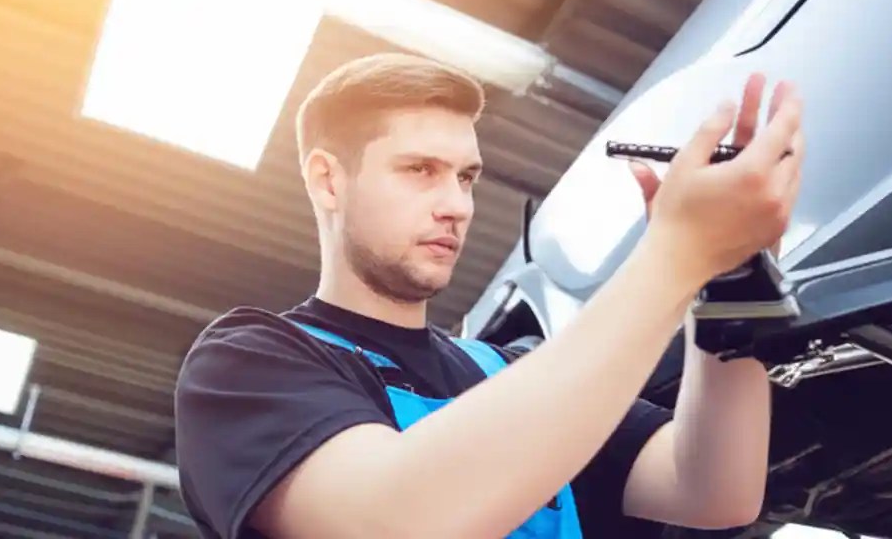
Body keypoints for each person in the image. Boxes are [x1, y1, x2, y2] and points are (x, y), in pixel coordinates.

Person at [174, 52, 805, 539]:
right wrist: (676, 254)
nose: (456, 205)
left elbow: (714, 489)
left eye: (466, 177)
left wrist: (730, 281)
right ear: (328, 180)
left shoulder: (511, 373)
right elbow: (395, 522)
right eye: (420, 170)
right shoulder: (249, 364)